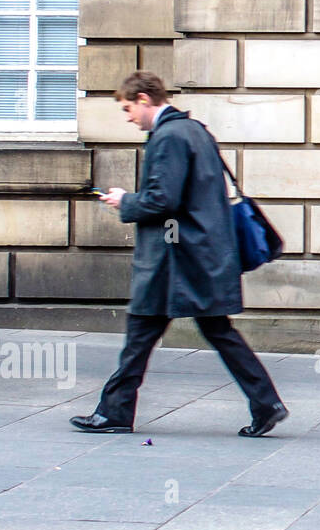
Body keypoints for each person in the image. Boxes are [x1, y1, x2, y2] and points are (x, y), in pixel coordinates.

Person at [70, 72, 288, 437]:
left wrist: (125, 201)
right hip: (198, 257)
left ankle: (114, 413)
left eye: (127, 108)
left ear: (143, 99)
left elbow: (162, 200)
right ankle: (266, 403)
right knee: (217, 332)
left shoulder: (168, 136)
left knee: (141, 335)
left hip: (173, 262)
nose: (127, 117)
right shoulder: (195, 130)